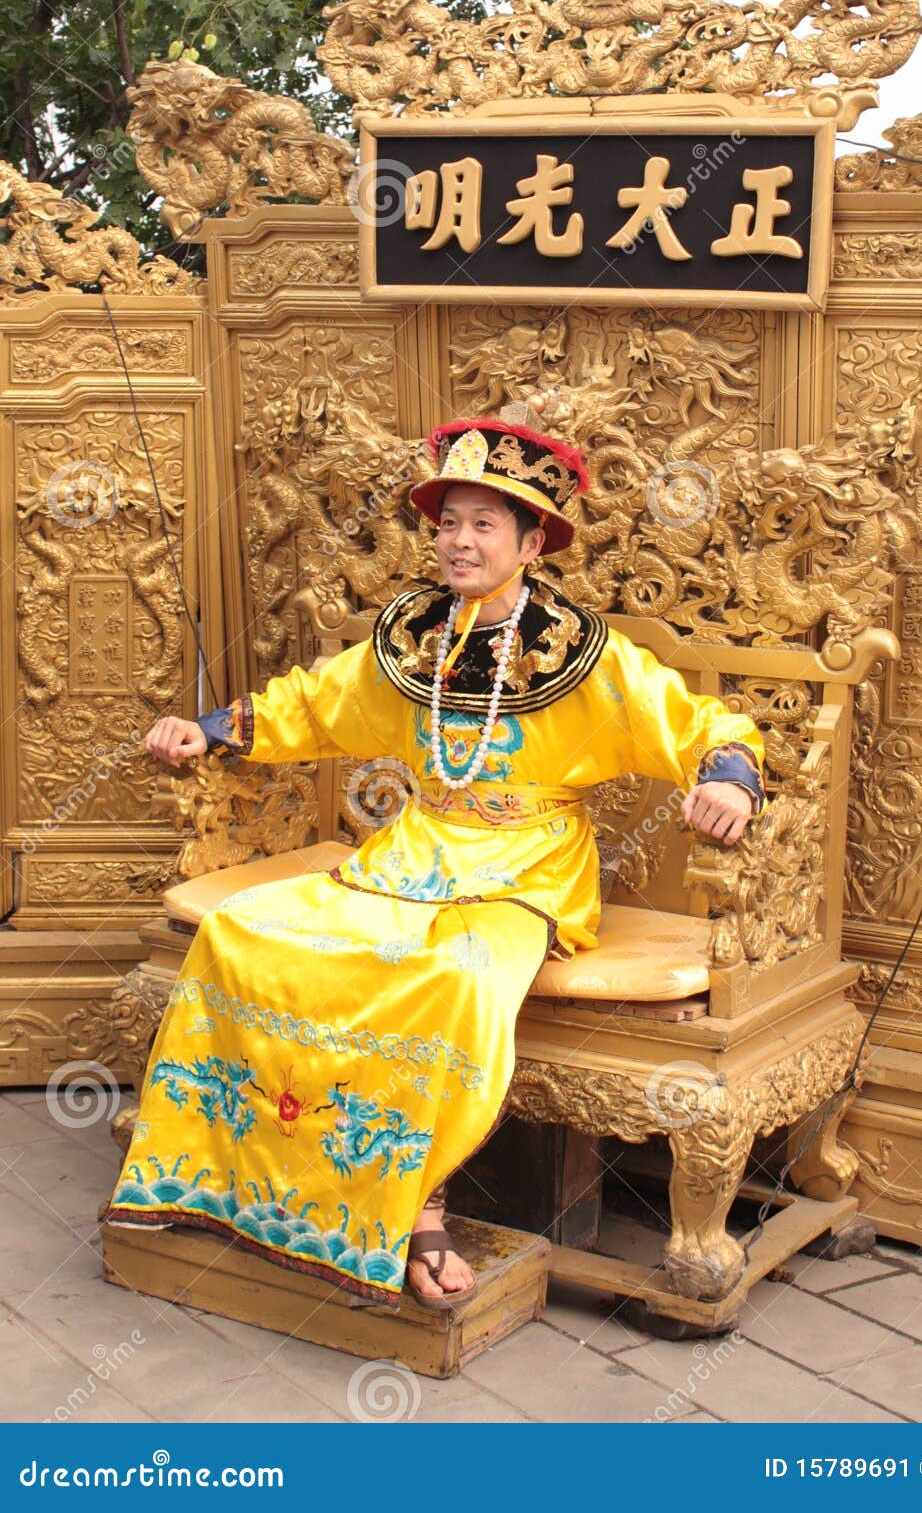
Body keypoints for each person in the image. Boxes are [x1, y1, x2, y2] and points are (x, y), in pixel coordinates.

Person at [101, 417, 767, 1311]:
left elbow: (700, 726)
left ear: (532, 544)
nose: (459, 540)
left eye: (484, 524)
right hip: (411, 850)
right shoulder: (411, 633)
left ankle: (414, 1205)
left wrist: (728, 779)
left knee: (452, 976)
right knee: (242, 935)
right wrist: (210, 731)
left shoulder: (581, 651)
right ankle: (213, 1180)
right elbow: (314, 704)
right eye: (449, 520)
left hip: (525, 866)